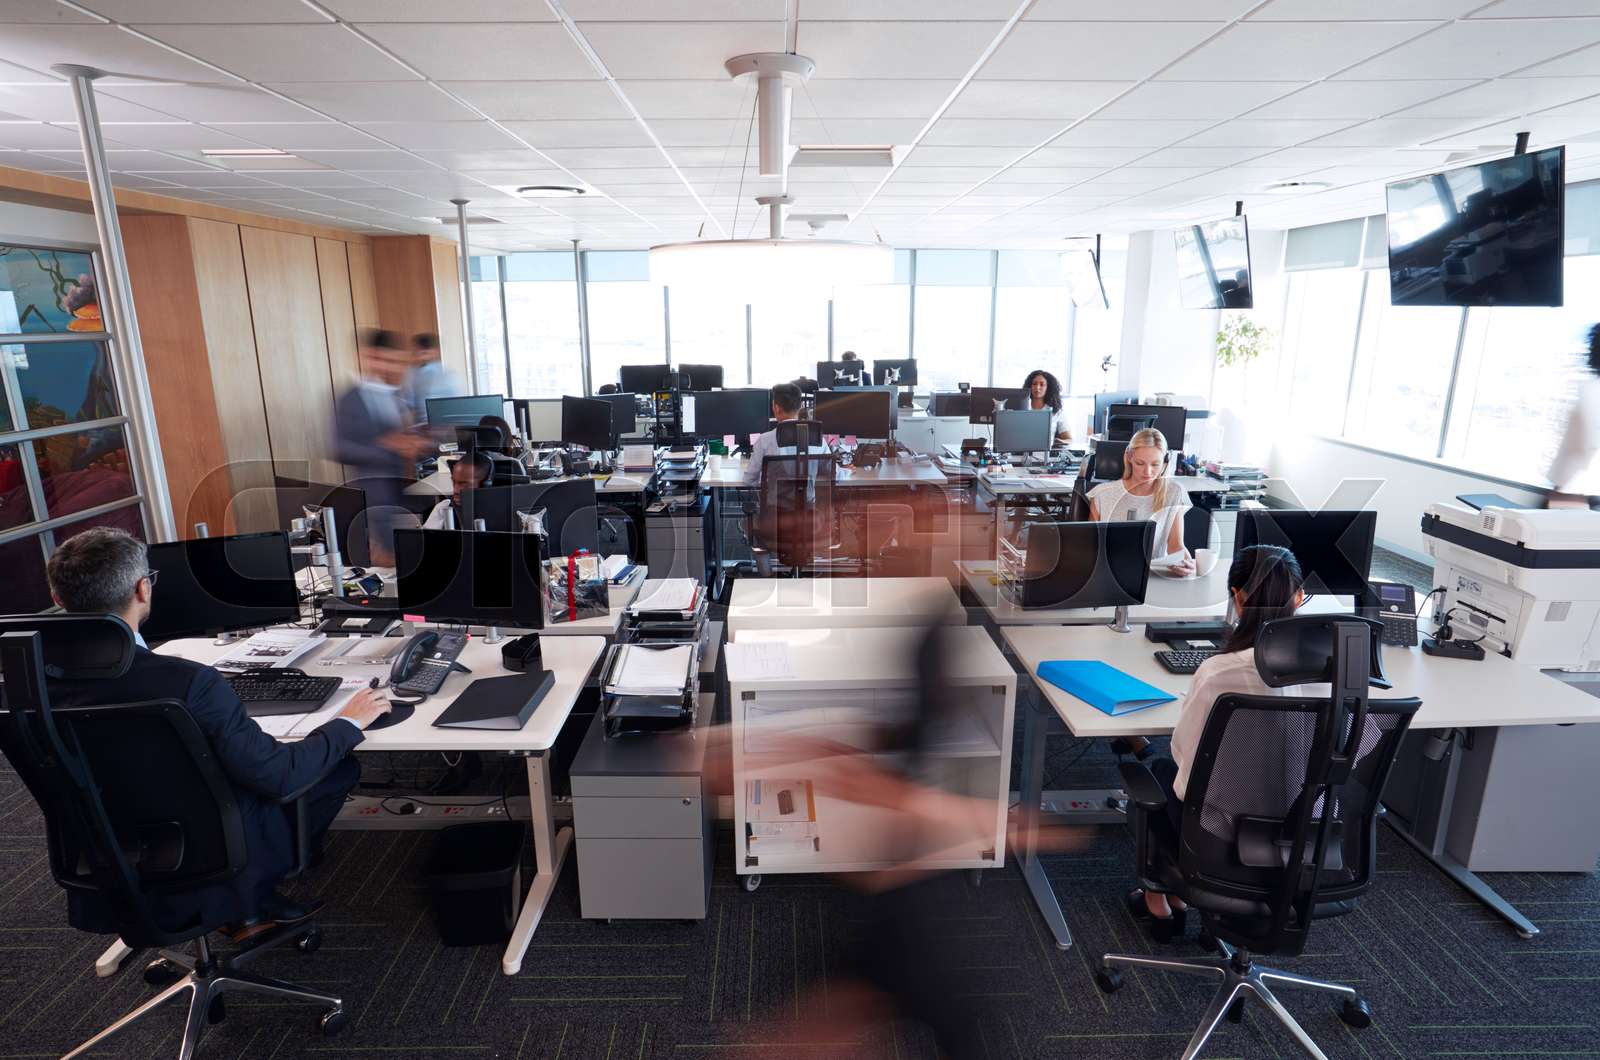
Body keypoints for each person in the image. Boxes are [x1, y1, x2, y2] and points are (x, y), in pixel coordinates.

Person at [42, 527, 390, 940]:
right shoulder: (188, 682)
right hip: (212, 849)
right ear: (142, 589)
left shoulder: (28, 686)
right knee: (338, 769)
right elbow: (280, 775)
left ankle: (232, 901)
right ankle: (247, 896)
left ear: (58, 599)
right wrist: (348, 721)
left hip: (100, 849)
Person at [1127, 545, 1316, 929]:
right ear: (1298, 598)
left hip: (1222, 840)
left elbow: (1186, 758)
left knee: (1160, 770)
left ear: (1237, 598)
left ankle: (1160, 896)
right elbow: (1358, 749)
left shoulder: (1220, 673)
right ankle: (1172, 894)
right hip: (1305, 839)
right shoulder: (1336, 671)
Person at [334, 329, 434, 565]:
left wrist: (416, 440)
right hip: (376, 495)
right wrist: (389, 447)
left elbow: (398, 434)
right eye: (382, 360)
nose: (388, 368)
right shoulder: (349, 398)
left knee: (410, 558)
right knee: (388, 562)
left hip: (402, 489)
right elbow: (340, 448)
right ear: (366, 356)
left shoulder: (395, 394)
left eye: (393, 361)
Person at [1088, 426, 1193, 575]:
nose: (1148, 472)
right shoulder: (1102, 494)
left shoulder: (1174, 492)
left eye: (1155, 464)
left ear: (1165, 462)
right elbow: (1091, 545)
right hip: (1110, 574)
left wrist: (1186, 562)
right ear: (1129, 457)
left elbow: (1176, 545)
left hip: (1153, 576)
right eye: (1140, 463)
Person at [1547, 324, 1600, 507]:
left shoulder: (1591, 393)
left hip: (1573, 495)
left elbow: (1582, 451)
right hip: (1574, 495)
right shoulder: (1591, 393)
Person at [744, 381, 803, 487]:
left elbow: (749, 480)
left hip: (775, 503)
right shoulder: (817, 439)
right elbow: (837, 475)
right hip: (810, 503)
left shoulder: (764, 440)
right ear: (801, 406)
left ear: (776, 408)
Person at [404, 332, 467, 424]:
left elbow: (459, 407)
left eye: (425, 353)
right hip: (421, 427)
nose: (421, 357)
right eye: (417, 353)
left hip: (447, 425)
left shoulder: (449, 375)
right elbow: (409, 407)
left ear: (435, 351)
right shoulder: (411, 374)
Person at [423, 450, 493, 530]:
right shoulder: (443, 508)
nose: (455, 491)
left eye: (464, 484)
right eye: (454, 482)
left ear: (484, 485)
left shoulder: (506, 511)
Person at [1019, 369, 1073, 445]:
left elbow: (1069, 439)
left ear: (1048, 388)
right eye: (1034, 384)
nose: (1037, 387)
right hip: (1022, 451)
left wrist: (1057, 442)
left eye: (1042, 384)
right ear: (1029, 386)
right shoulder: (1020, 407)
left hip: (1046, 453)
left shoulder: (1056, 410)